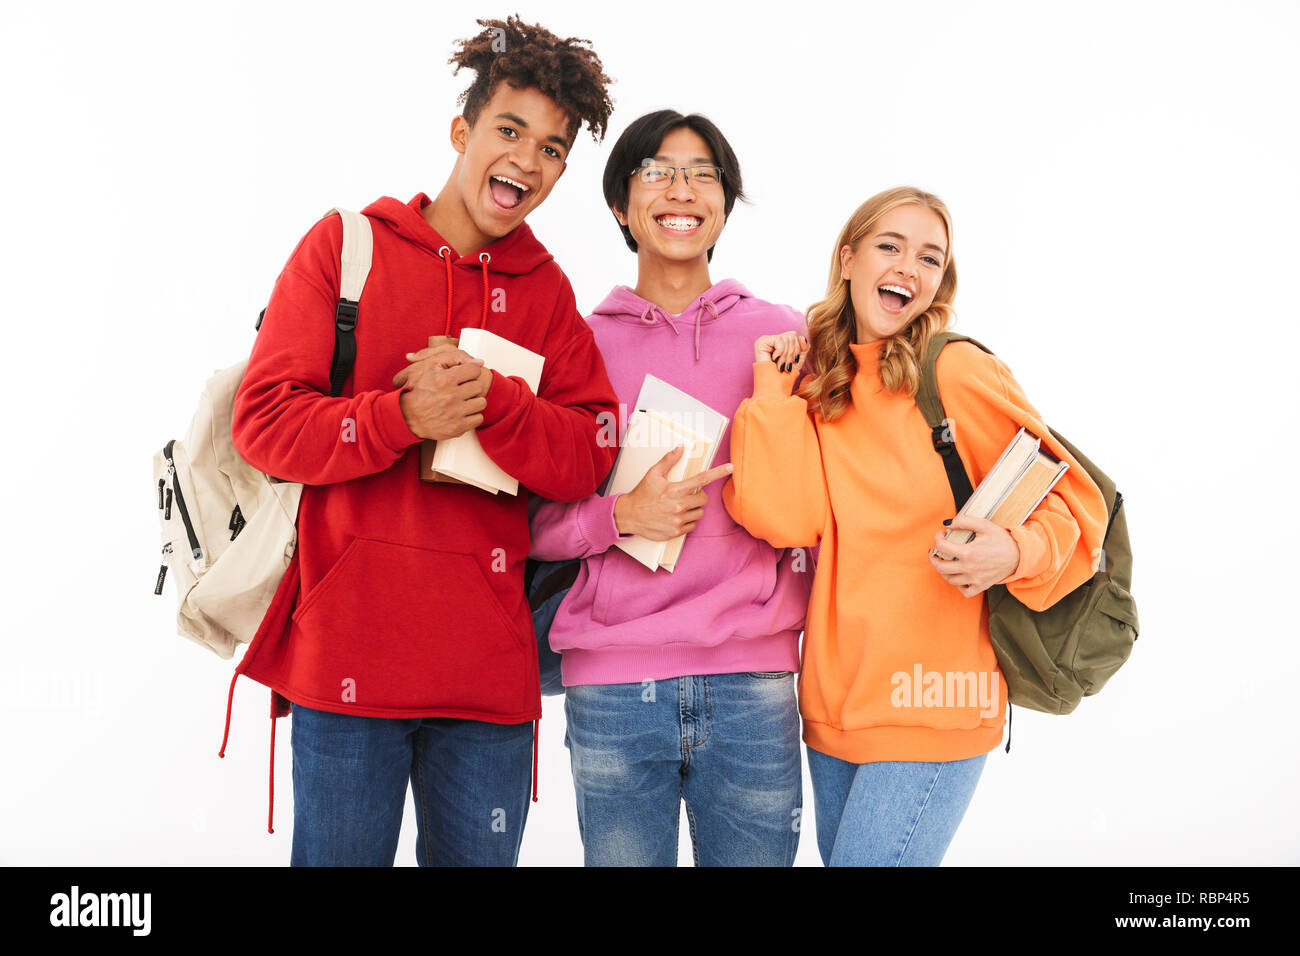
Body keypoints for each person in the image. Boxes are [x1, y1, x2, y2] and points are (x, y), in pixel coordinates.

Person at [224, 16, 620, 866]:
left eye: (551, 149)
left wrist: (497, 404)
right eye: (509, 130)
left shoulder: (548, 293)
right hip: (346, 663)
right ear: (461, 132)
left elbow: (589, 455)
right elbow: (263, 423)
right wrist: (399, 418)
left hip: (487, 682)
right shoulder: (347, 248)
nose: (526, 160)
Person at [723, 186, 1110, 866]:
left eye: (930, 258)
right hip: (838, 705)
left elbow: (1075, 499)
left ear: (939, 281)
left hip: (938, 700)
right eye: (890, 246)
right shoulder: (825, 381)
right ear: (849, 259)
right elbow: (786, 520)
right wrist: (775, 391)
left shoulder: (954, 370)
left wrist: (1014, 552)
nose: (909, 267)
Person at [528, 110, 812, 867]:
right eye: (655, 171)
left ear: (724, 202)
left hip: (755, 681)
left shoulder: (785, 338)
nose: (681, 189)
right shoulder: (576, 347)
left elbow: (831, 491)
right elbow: (530, 523)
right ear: (620, 206)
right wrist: (622, 515)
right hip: (613, 687)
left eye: (702, 174)